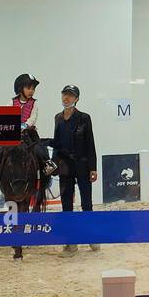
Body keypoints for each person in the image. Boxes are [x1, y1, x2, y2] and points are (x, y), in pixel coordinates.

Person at [51, 84, 99, 257]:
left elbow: (90, 143)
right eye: (64, 94)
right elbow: (56, 144)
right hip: (64, 167)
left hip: (83, 165)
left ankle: (92, 237)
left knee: (87, 202)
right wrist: (53, 163)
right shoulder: (57, 118)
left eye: (70, 95)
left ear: (77, 98)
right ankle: (70, 243)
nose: (66, 98)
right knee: (66, 205)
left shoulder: (84, 118)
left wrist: (93, 167)